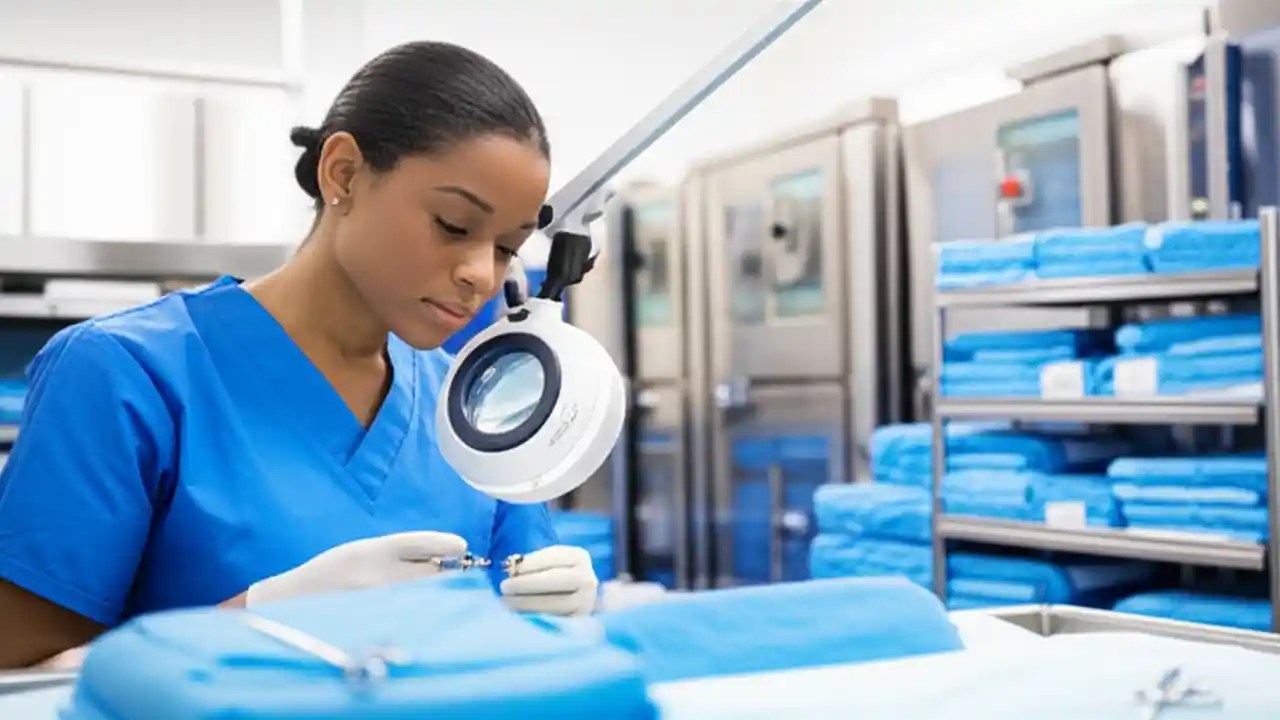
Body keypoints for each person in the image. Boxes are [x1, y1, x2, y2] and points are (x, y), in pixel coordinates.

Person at [0, 41, 599, 670]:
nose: (480, 273)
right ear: (342, 174)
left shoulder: (474, 418)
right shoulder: (124, 375)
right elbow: (18, 683)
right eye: (453, 225)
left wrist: (556, 623)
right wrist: (253, 622)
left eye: (506, 247)